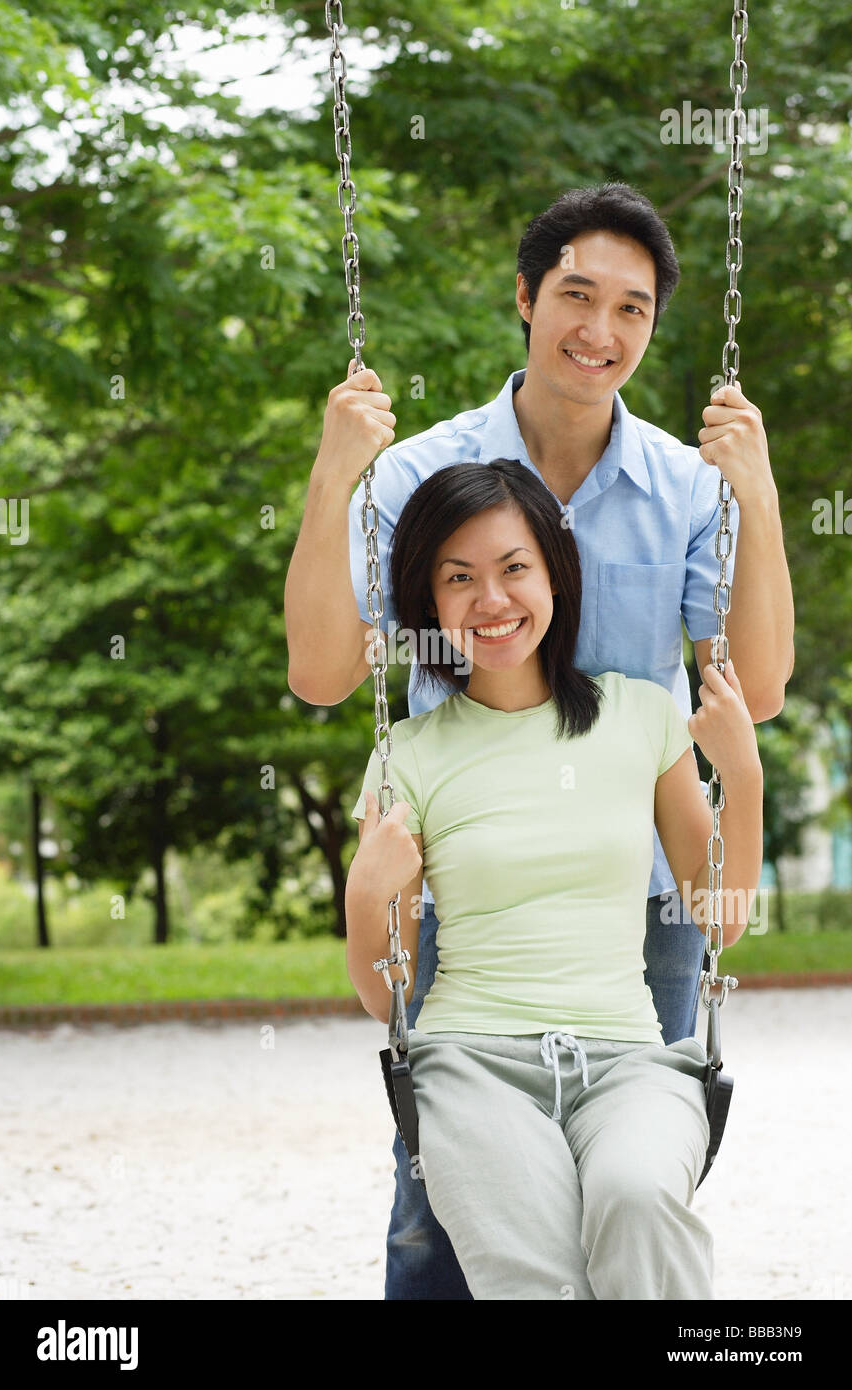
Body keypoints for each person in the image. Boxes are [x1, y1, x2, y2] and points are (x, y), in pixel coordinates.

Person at [284, 181, 794, 1299]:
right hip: (459, 867)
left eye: (632, 308)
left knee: (629, 1183)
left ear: (653, 324)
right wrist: (335, 473)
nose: (598, 332)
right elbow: (324, 673)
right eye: (574, 294)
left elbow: (750, 690)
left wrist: (751, 490)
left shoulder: (682, 483)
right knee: (440, 1211)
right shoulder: (422, 472)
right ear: (524, 297)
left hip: (636, 889)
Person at [344, 457, 764, 1300]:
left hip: (627, 1062)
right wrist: (364, 892)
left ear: (555, 575)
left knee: (638, 1196)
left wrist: (742, 779)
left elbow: (715, 921)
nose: (490, 602)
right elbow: (385, 994)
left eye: (513, 570)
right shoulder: (408, 757)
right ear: (429, 602)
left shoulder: (640, 716)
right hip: (471, 1065)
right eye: (457, 578)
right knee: (539, 1272)